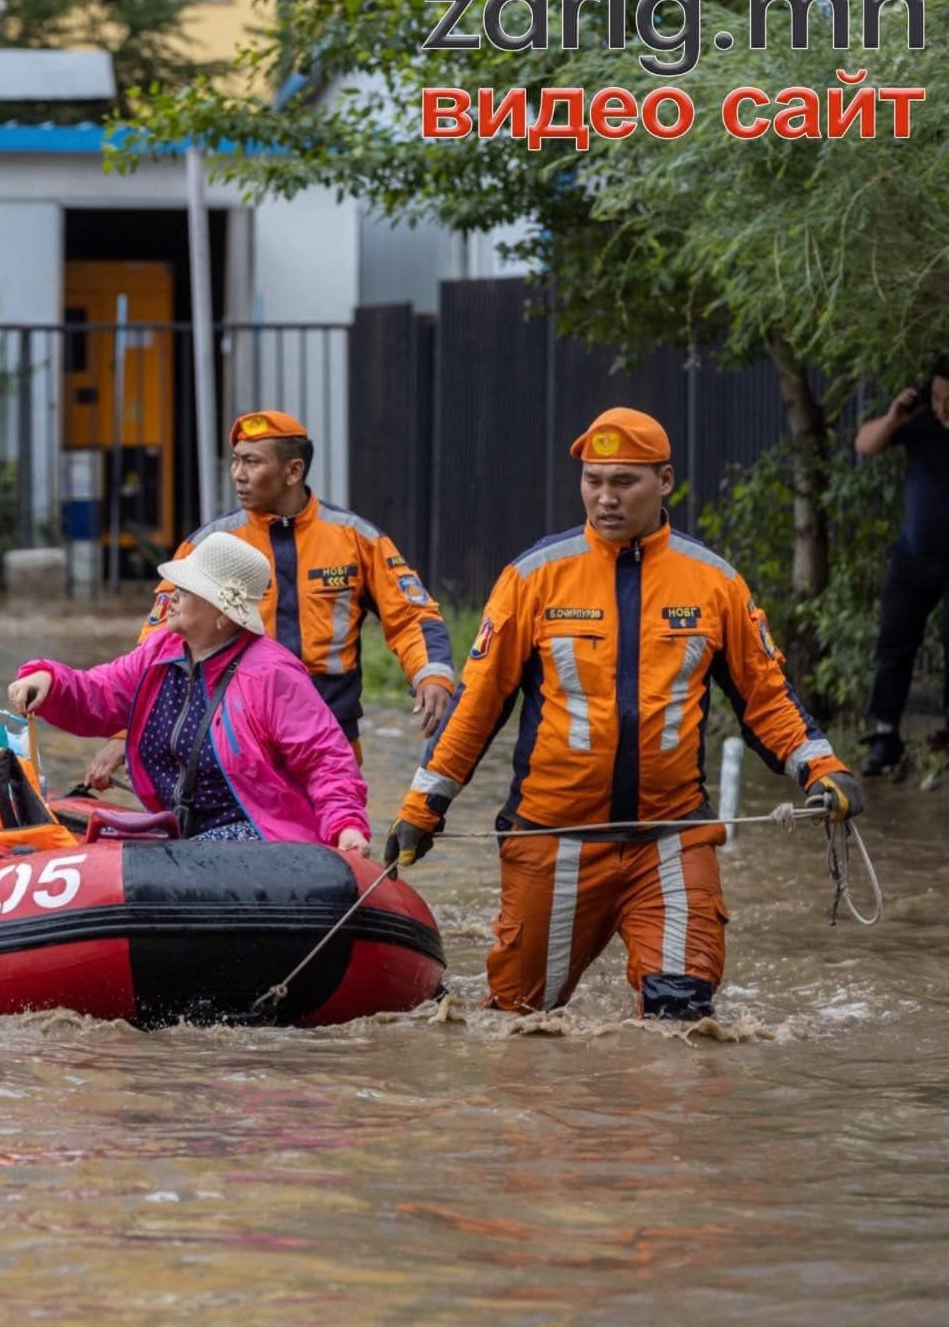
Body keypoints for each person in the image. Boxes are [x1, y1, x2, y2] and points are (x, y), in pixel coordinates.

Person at [383, 407, 866, 1021]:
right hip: (551, 841)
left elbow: (768, 699)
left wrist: (823, 769)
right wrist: (422, 808)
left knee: (682, 1026)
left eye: (623, 482)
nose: (604, 498)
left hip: (669, 839)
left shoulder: (715, 583)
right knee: (515, 1023)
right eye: (593, 481)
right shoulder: (532, 577)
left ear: (664, 482)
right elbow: (476, 707)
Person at [82, 409, 453, 789]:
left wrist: (431, 674)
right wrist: (124, 734)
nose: (238, 474)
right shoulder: (208, 546)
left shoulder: (355, 539)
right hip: (231, 742)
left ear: (293, 472)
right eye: (236, 460)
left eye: (252, 462)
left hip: (330, 741)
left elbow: (411, 616)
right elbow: (160, 645)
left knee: (335, 833)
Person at [9, 532, 370, 852]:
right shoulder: (160, 651)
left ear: (222, 614)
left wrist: (347, 824)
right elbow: (102, 692)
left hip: (264, 838)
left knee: (166, 861)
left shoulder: (272, 674)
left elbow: (325, 757)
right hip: (183, 833)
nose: (171, 597)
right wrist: (50, 682)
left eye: (185, 589)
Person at [853, 359, 949, 776]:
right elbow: (865, 444)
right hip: (914, 554)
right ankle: (885, 736)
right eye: (938, 397)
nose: (943, 407)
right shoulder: (921, 423)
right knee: (893, 642)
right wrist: (894, 417)